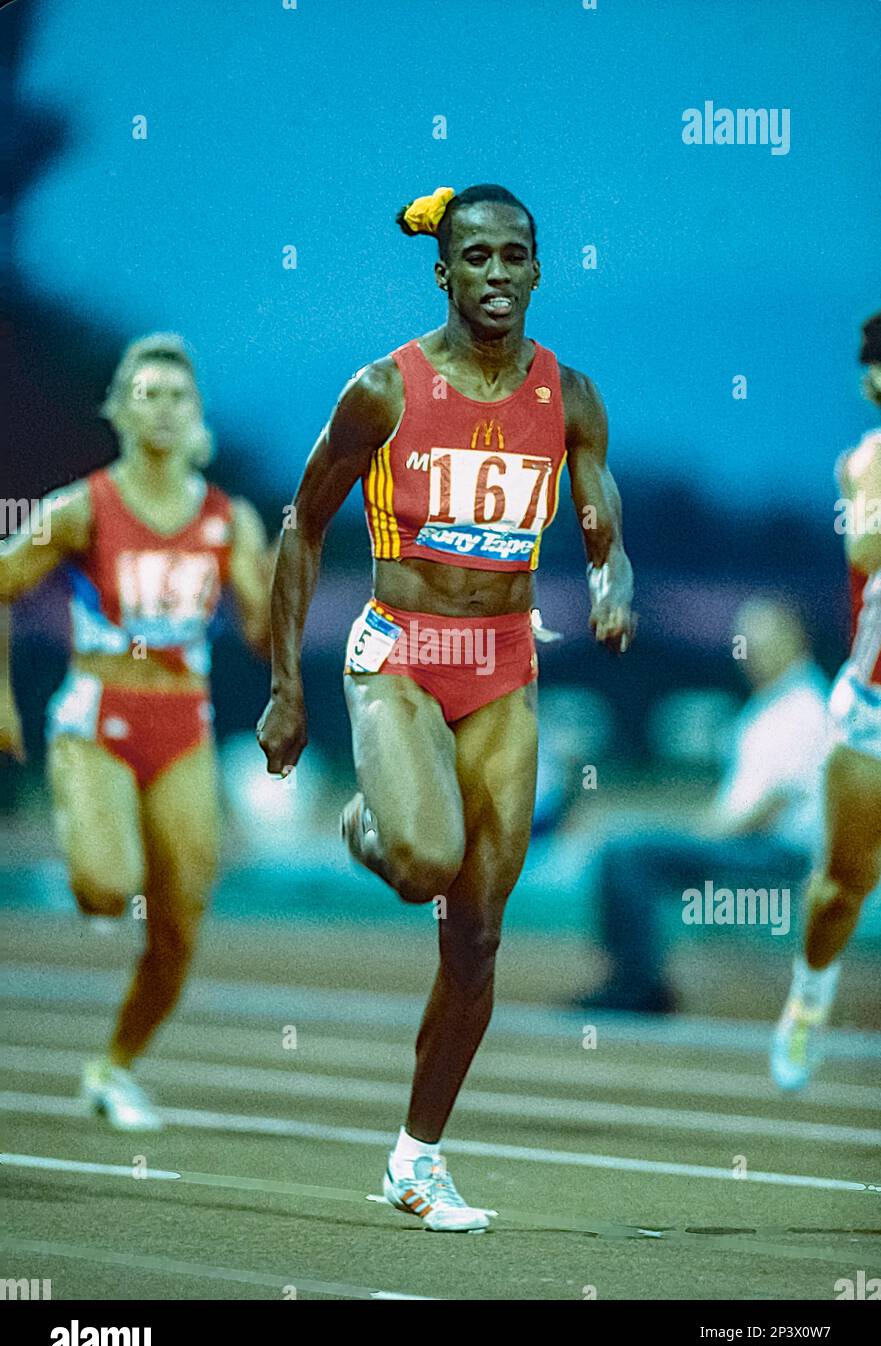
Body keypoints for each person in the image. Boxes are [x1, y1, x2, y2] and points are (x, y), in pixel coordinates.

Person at [257, 184, 635, 1232]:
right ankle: (364, 822)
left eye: (515, 255)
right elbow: (300, 527)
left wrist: (612, 576)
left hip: (503, 664)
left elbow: (598, 506)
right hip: (399, 658)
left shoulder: (571, 397)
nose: (497, 275)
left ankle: (415, 1160)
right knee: (423, 860)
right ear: (443, 271)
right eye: (475, 258)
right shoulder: (384, 390)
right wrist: (288, 687)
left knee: (475, 936)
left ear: (538, 267)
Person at [0, 333, 271, 1129]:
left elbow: (263, 629)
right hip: (98, 716)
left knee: (182, 920)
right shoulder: (84, 507)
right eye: (146, 394)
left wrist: (290, 576)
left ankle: (113, 1066)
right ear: (120, 409)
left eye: (177, 396)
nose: (162, 409)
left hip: (184, 720)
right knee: (108, 890)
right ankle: (79, 818)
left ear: (197, 415)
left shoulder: (228, 519)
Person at [570, 599, 829, 1014]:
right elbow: (739, 801)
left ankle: (637, 986)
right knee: (627, 844)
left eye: (763, 641)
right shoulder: (770, 703)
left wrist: (702, 833)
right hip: (752, 844)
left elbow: (770, 808)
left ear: (795, 638)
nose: (752, 652)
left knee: (627, 853)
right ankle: (636, 979)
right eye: (745, 642)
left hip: (778, 856)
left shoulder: (806, 707)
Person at [771, 311, 881, 1089]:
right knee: (844, 886)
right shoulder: (866, 463)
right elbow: (865, 550)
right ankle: (809, 996)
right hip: (874, 708)